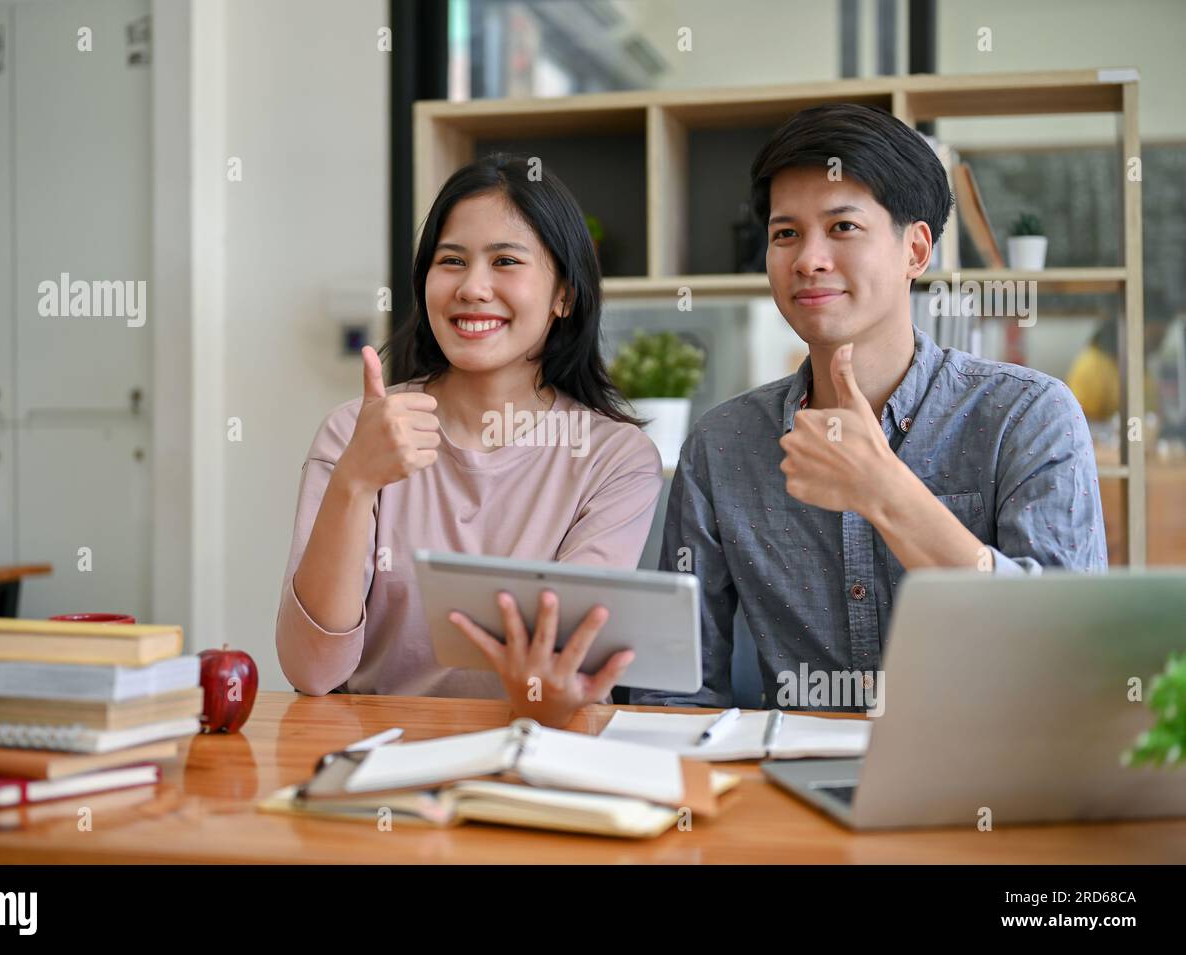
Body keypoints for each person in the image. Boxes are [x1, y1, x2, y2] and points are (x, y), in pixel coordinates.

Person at [632, 103, 1107, 711]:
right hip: (789, 786)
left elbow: (1073, 658)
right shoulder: (723, 443)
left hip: (988, 781)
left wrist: (885, 492)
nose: (808, 259)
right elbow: (675, 685)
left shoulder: (1027, 417)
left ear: (916, 249)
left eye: (843, 227)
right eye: (785, 234)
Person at [276, 154, 663, 728]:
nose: (473, 288)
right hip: (378, 763)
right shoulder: (356, 432)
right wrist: (355, 481)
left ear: (565, 295)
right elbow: (311, 672)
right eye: (451, 261)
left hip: (539, 751)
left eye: (506, 261)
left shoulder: (613, 457)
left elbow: (562, 681)